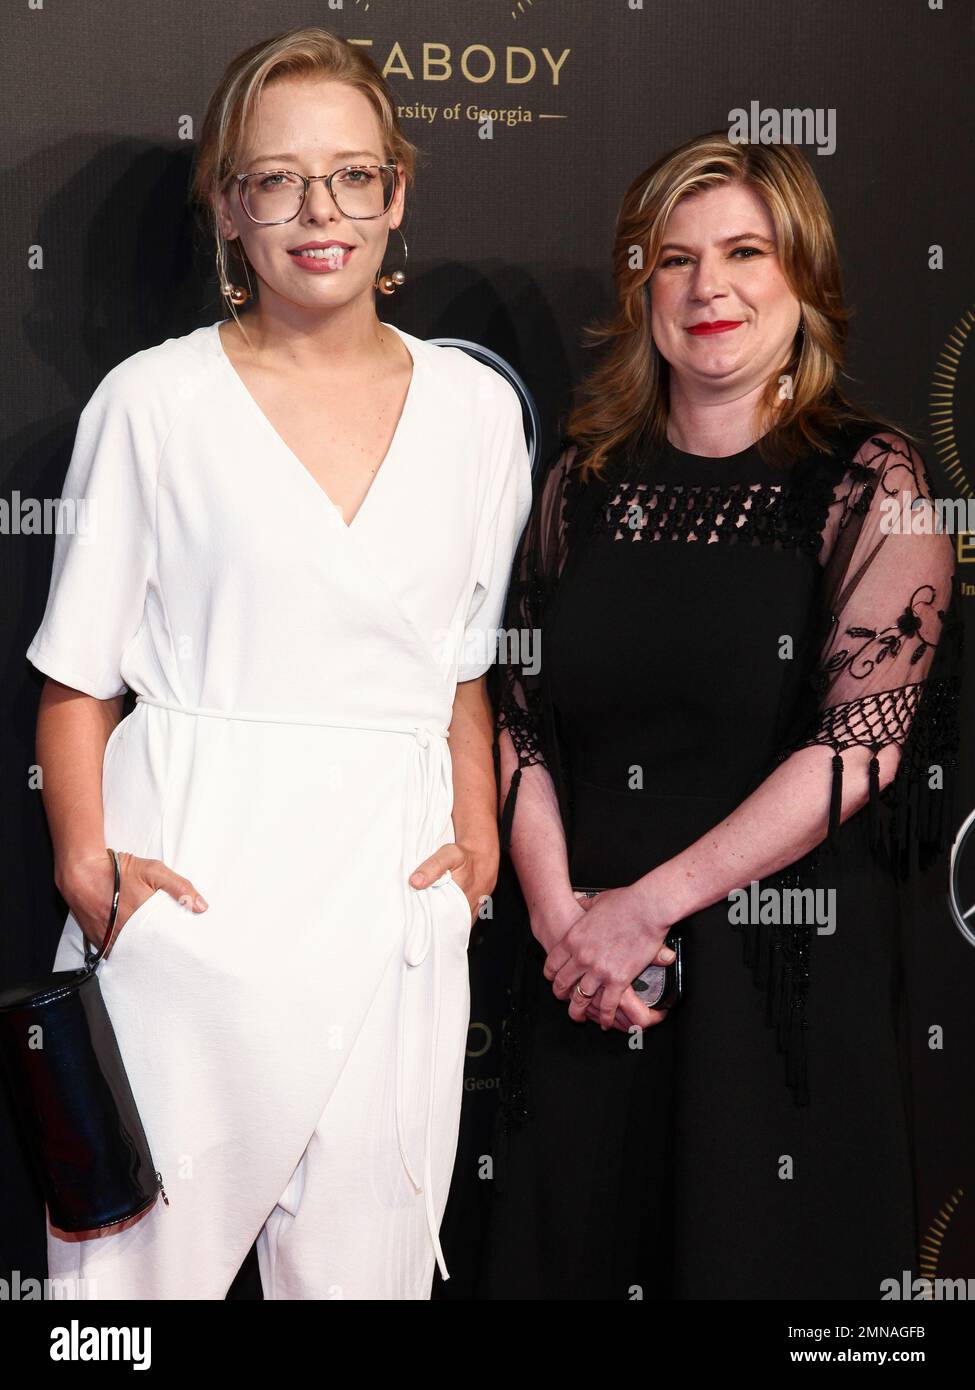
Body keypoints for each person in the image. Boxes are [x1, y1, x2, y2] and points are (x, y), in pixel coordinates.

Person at [28, 27, 532, 1300]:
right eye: (278, 180)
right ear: (230, 209)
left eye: (353, 177)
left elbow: (462, 667)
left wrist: (472, 846)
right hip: (189, 899)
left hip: (391, 913)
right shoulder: (151, 403)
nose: (322, 213)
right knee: (120, 1309)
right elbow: (77, 679)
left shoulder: (476, 415)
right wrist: (92, 874)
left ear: (397, 193)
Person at [479, 132, 962, 1300]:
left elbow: (858, 750)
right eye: (676, 258)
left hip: (773, 1003)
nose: (710, 288)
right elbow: (518, 718)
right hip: (589, 992)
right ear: (639, 285)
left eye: (746, 251)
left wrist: (647, 908)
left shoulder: (870, 481)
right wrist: (561, 924)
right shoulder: (582, 483)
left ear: (804, 276)